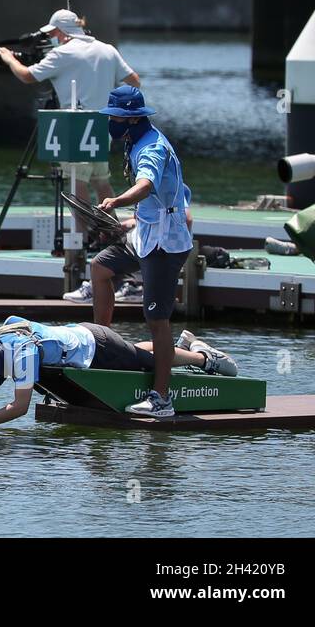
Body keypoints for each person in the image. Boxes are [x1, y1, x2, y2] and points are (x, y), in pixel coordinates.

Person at [92, 84, 193, 417]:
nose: (112, 123)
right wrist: (135, 219)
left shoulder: (150, 147)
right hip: (146, 232)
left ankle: (162, 399)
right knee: (100, 268)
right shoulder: (136, 139)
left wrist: (119, 200)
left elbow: (147, 184)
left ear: (132, 119)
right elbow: (174, 190)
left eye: (116, 118)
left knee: (157, 320)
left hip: (165, 243)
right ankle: (102, 348)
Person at [0, 314, 237, 429]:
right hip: (84, 337)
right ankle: (180, 346)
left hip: (96, 346)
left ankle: (204, 358)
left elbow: (20, 407)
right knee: (135, 353)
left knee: (150, 364)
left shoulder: (22, 353)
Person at [0, 8, 140, 210]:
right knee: (100, 180)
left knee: (76, 181)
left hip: (77, 125)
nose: (51, 37)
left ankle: (80, 237)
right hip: (103, 125)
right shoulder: (107, 49)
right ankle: (111, 232)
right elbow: (134, 82)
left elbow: (27, 76)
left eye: (52, 33)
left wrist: (9, 59)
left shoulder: (62, 53)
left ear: (62, 31)